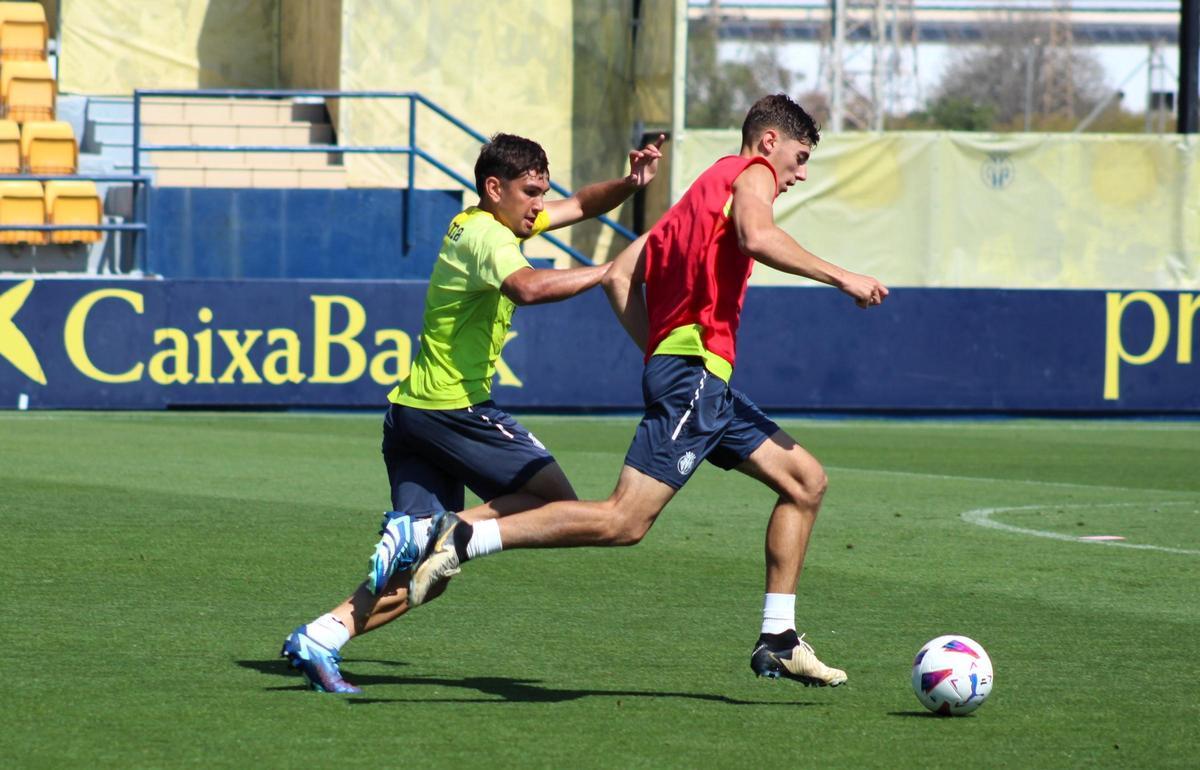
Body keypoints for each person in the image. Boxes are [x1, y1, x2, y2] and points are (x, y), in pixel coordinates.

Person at [408, 94, 888, 687]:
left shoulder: (703, 189)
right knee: (624, 521)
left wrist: (661, 352)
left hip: (695, 377)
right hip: (696, 375)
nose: (799, 173)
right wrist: (844, 276)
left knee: (806, 482)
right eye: (800, 156)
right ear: (769, 143)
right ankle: (467, 534)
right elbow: (758, 237)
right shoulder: (752, 174)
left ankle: (779, 637)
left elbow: (621, 276)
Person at [281, 132, 665, 693]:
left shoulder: (487, 219)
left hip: (413, 412)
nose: (540, 203)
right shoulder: (488, 235)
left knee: (427, 575)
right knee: (555, 502)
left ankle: (323, 636)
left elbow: (581, 204)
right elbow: (528, 288)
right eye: (532, 192)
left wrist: (630, 184)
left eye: (542, 191)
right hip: (452, 409)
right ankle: (442, 531)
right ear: (494, 187)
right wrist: (607, 272)